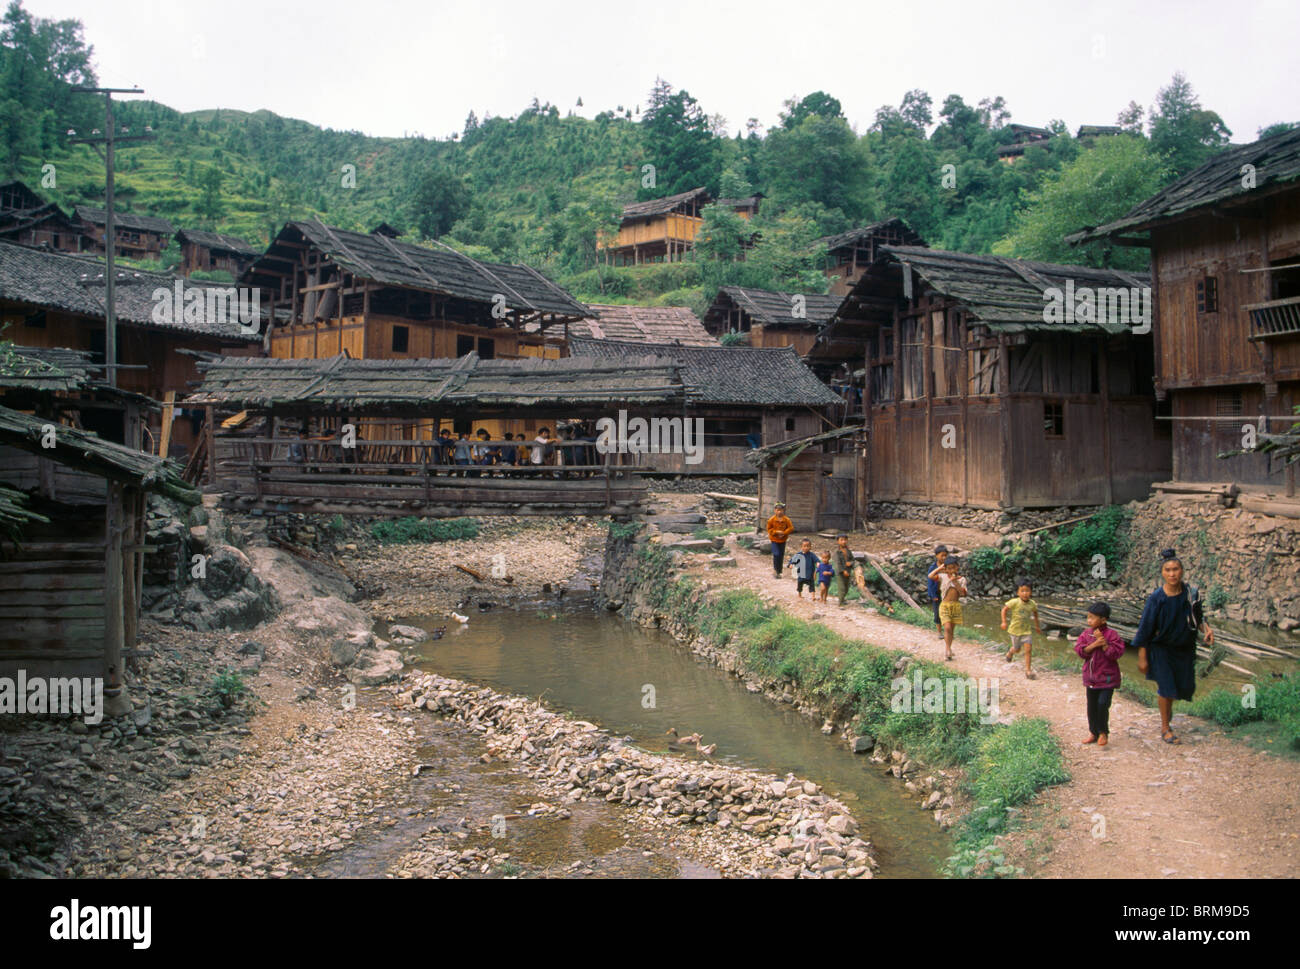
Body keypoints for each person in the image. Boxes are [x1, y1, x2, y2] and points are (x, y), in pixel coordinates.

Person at [1130, 549, 1214, 745]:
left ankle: (1167, 711)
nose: (1172, 574)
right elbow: (1145, 629)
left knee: (1182, 687)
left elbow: (1198, 617)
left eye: (1175, 569)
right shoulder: (1156, 599)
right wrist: (1142, 657)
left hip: (1184, 649)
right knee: (1166, 688)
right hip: (1161, 649)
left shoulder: (1190, 594)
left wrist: (1206, 630)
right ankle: (1165, 727)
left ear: (1182, 571)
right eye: (1168, 570)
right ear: (1162, 573)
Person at [1074, 601, 1125, 747]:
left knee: (1102, 704)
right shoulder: (1086, 634)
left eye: (1092, 618)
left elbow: (1116, 654)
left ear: (1103, 620)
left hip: (1107, 679)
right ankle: (1093, 733)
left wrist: (1104, 645)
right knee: (1091, 707)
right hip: (1091, 678)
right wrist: (1094, 645)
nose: (1089, 620)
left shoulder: (1112, 635)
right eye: (1088, 617)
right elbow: (1080, 651)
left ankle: (1103, 732)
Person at [1001, 577, 1045, 679]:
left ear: (1031, 592)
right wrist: (1004, 622)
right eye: (1022, 591)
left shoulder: (1032, 604)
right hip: (1015, 631)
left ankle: (1028, 671)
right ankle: (1010, 652)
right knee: (1017, 649)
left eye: (1027, 591)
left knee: (1028, 650)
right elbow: (1004, 610)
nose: (1025, 593)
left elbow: (1035, 614)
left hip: (1026, 631)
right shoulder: (1014, 602)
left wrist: (1037, 626)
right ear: (1018, 592)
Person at [928, 555, 967, 661]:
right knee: (947, 627)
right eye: (949, 568)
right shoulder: (942, 577)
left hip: (955, 606)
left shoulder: (962, 579)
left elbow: (963, 594)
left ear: (958, 567)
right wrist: (940, 568)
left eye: (954, 567)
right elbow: (931, 576)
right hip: (944, 605)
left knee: (951, 630)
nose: (951, 570)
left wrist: (955, 582)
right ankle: (947, 649)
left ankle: (948, 648)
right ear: (945, 569)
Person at [765, 502, 794, 578]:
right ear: (775, 510)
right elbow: (769, 529)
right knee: (776, 554)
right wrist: (776, 532)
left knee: (781, 555)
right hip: (774, 540)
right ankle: (775, 570)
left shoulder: (786, 520)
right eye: (778, 510)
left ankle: (779, 571)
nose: (779, 512)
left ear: (783, 510)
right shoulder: (771, 520)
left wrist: (784, 533)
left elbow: (791, 528)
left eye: (781, 510)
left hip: (783, 540)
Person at [927, 545, 949, 639]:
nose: (944, 557)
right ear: (936, 556)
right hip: (937, 593)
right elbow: (930, 582)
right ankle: (939, 632)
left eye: (945, 555)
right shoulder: (933, 567)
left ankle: (947, 631)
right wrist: (933, 595)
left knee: (947, 613)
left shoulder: (948, 566)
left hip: (946, 593)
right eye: (942, 555)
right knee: (937, 614)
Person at [831, 534, 857, 607]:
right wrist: (843, 571)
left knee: (846, 587)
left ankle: (843, 599)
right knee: (841, 587)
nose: (844, 542)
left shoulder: (848, 551)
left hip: (848, 571)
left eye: (845, 540)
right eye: (841, 540)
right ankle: (840, 603)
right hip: (840, 573)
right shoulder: (836, 552)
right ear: (838, 541)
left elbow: (853, 560)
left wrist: (850, 563)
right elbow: (837, 563)